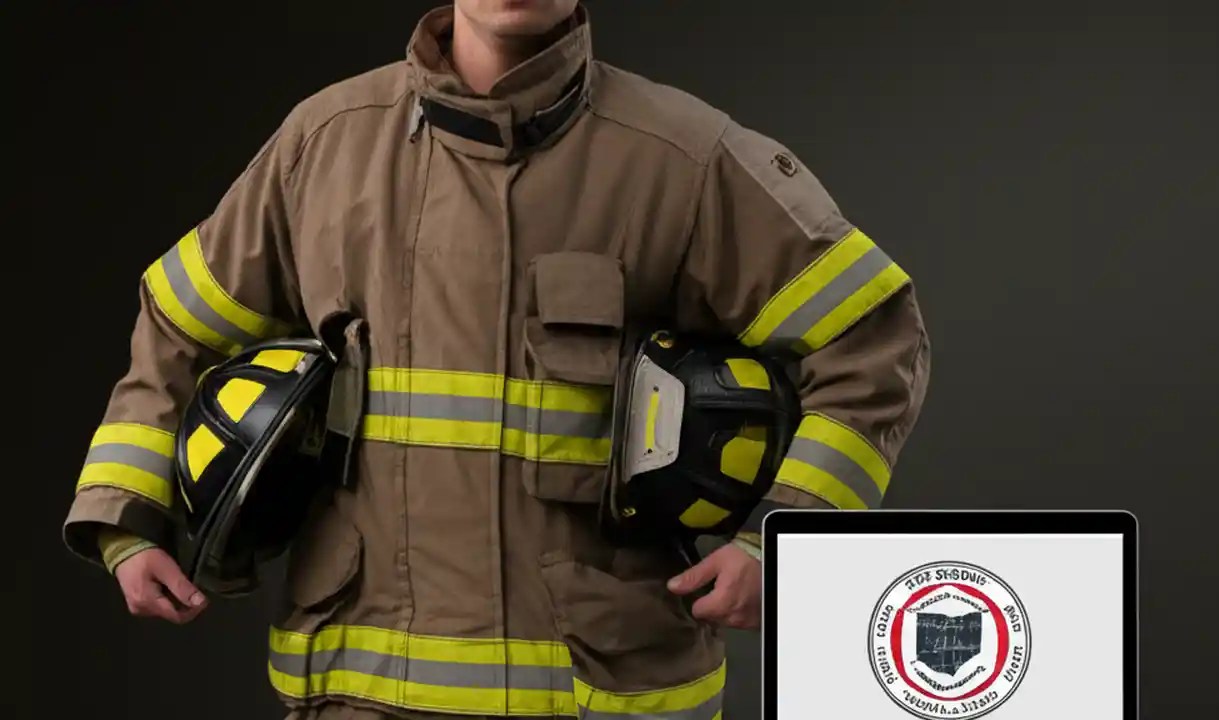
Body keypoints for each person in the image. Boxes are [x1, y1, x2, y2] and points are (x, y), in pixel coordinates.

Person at [62, 1, 932, 718]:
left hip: (603, 692)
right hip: (358, 692)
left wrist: (779, 539)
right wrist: (126, 525)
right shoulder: (323, 145)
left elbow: (871, 338)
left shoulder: (683, 159)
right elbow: (179, 323)